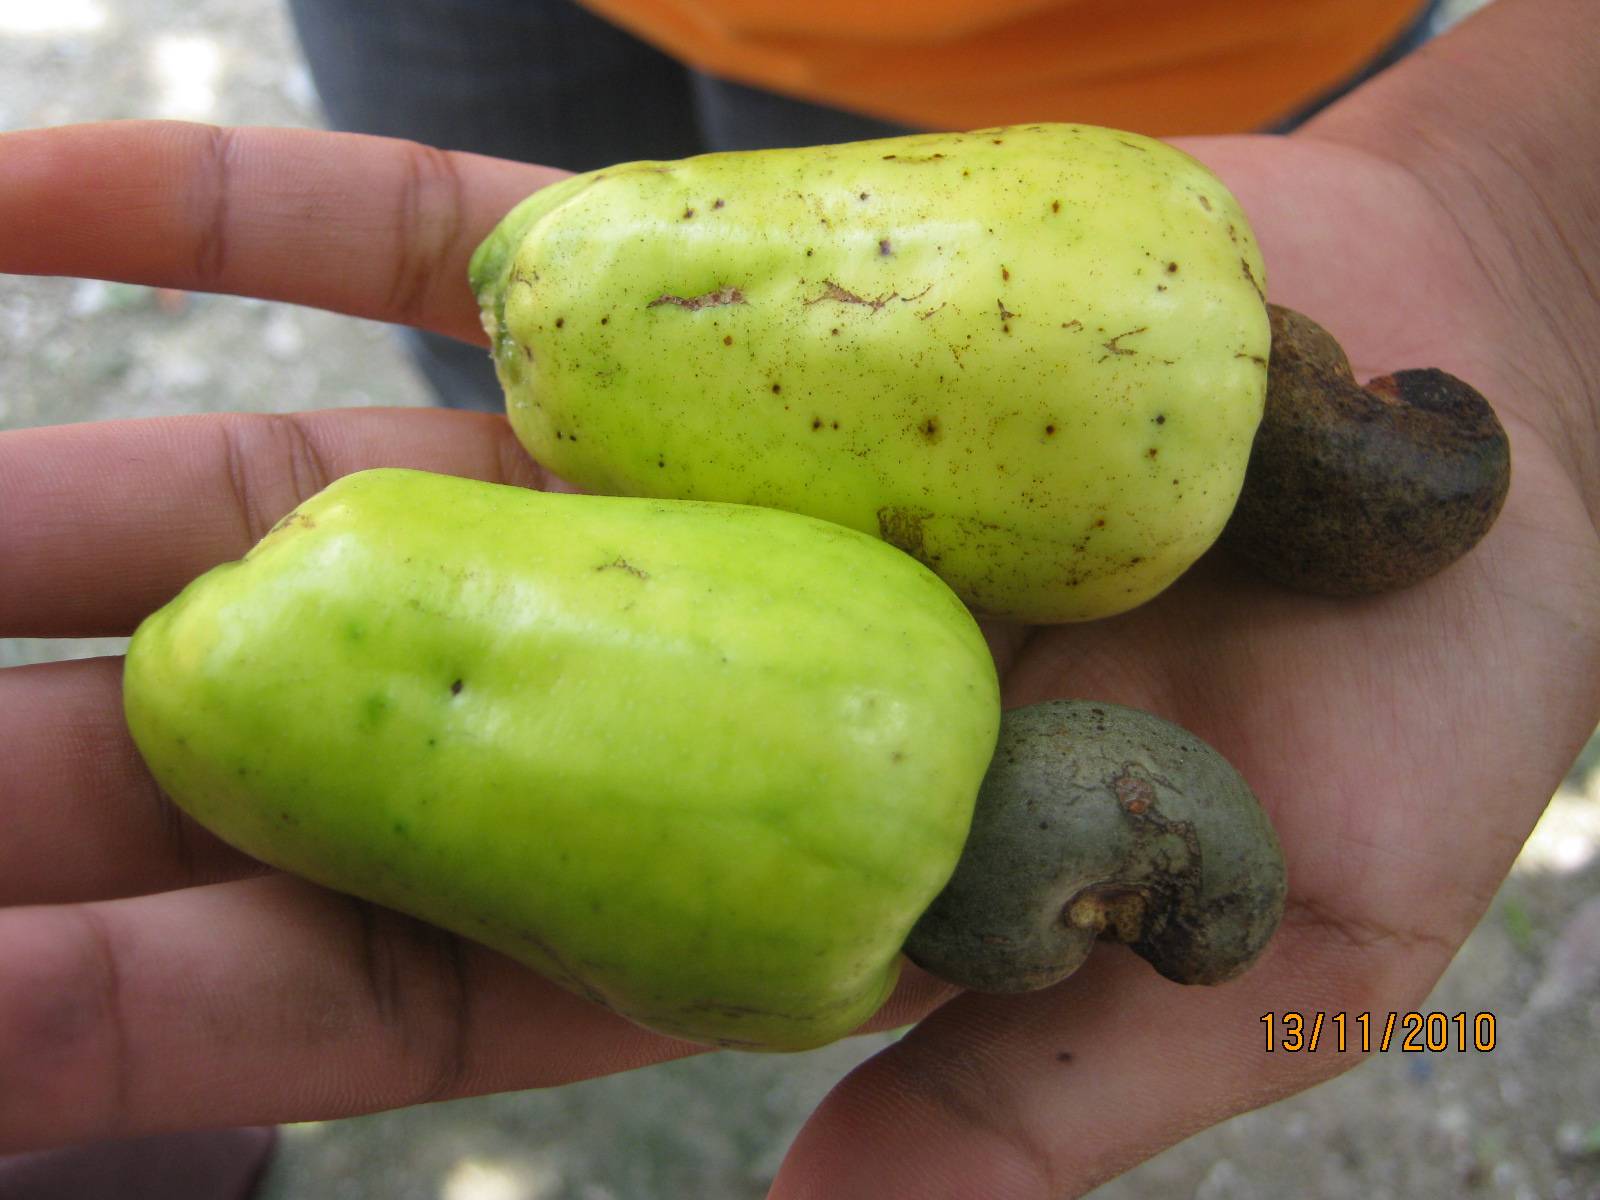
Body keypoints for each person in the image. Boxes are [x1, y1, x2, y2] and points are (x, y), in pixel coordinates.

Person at [0, 0, 1596, 1196]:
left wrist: (1526, 222)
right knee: (534, 369)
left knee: (549, 374)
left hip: (1152, 38)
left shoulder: (953, 613)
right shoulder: (946, 603)